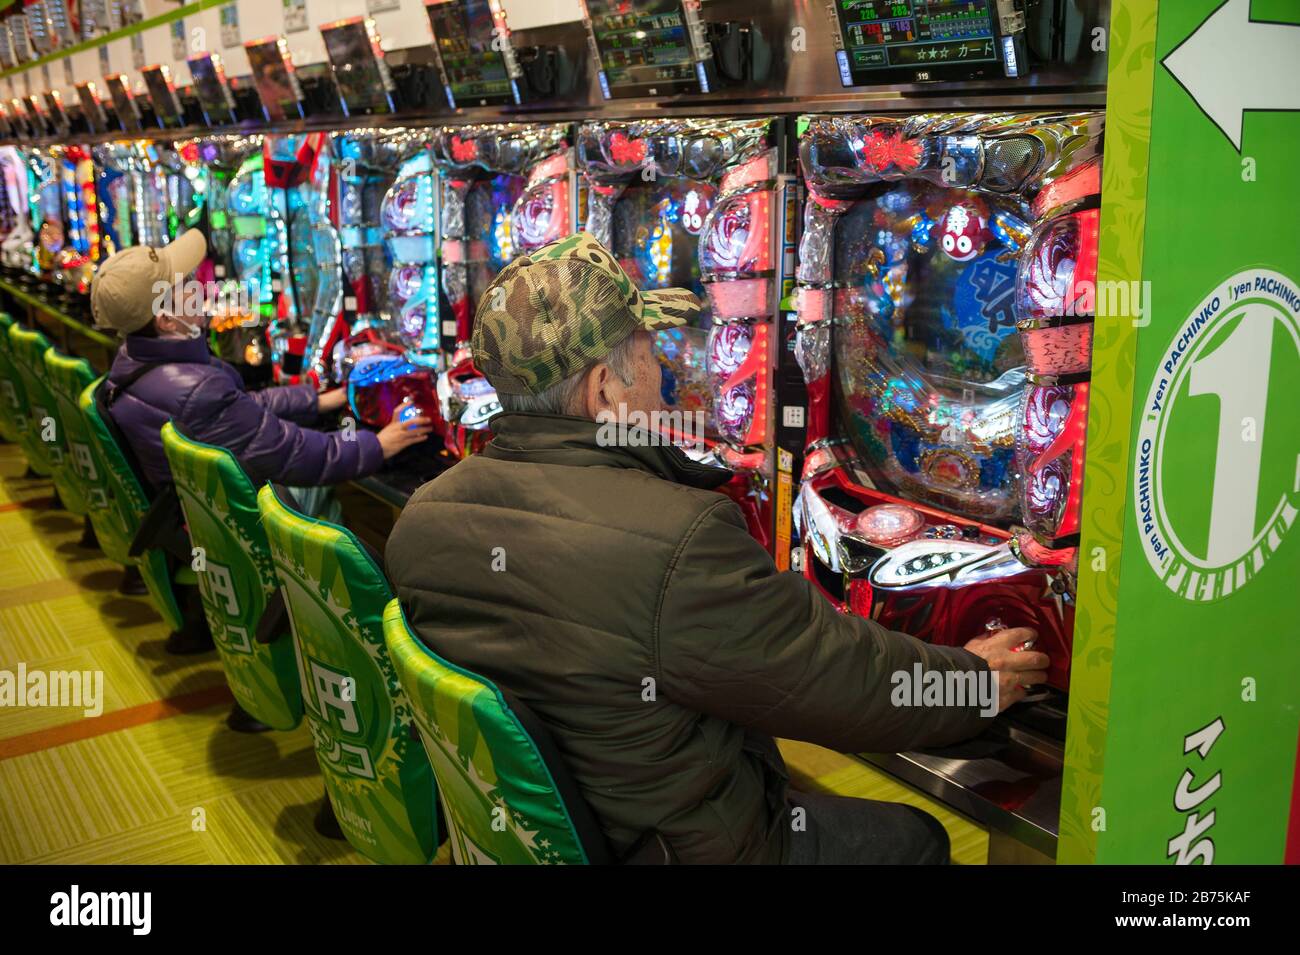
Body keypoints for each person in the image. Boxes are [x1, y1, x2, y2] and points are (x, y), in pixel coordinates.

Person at [385, 233, 1050, 864]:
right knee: (913, 834)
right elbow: (835, 679)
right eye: (648, 351)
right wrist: (966, 681)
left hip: (544, 837)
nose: (666, 373)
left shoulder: (423, 517)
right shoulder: (677, 539)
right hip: (681, 848)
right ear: (604, 389)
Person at [90, 230, 431, 661]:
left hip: (197, 515)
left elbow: (241, 408)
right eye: (187, 285)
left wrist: (317, 397)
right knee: (322, 488)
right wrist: (377, 444)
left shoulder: (140, 365)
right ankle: (336, 625)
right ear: (166, 319)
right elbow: (296, 455)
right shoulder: (197, 388)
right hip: (233, 529)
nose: (202, 287)